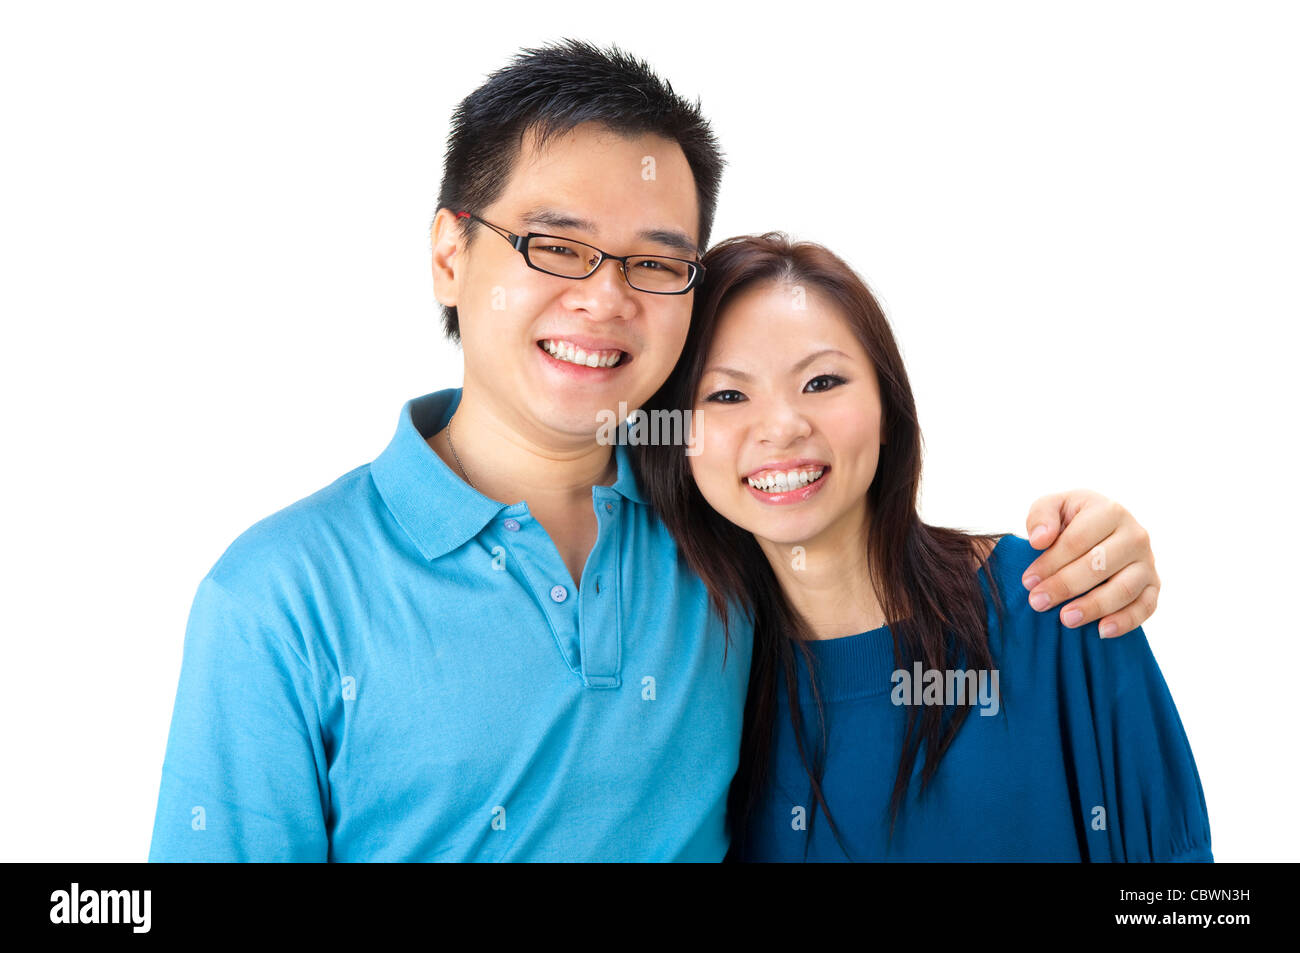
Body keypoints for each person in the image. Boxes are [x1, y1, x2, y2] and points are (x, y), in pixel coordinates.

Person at [149, 41, 1167, 862]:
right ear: (449, 255)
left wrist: (1089, 549)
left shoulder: (720, 534)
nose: (605, 297)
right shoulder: (275, 600)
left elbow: (880, 594)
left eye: (654, 261)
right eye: (555, 246)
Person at [633, 233, 1211, 861]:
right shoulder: (698, 688)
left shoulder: (1055, 596)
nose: (782, 427)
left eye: (822, 381)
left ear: (887, 410)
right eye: (727, 395)